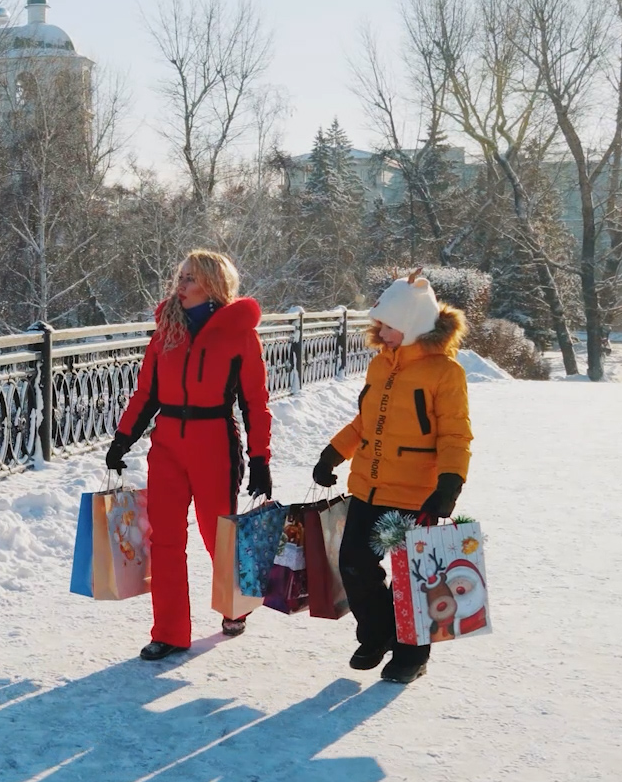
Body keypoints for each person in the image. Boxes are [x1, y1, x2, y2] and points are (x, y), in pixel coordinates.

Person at [104, 249, 273, 661]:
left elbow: (254, 401)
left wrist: (260, 458)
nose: (180, 286)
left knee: (218, 535)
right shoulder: (165, 332)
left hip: (215, 441)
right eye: (180, 277)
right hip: (166, 445)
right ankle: (169, 631)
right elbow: (146, 393)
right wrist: (122, 440)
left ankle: (236, 605)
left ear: (212, 285)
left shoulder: (239, 334)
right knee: (164, 540)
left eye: (190, 279)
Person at [312, 271, 472, 684]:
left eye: (387, 324)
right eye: (379, 324)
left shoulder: (445, 374)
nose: (378, 332)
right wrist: (333, 453)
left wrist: (449, 485)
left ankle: (412, 654)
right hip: (368, 486)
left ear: (414, 325)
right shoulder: (381, 366)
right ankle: (378, 632)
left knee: (412, 578)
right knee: (354, 565)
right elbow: (364, 423)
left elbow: (456, 433)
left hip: (414, 493)